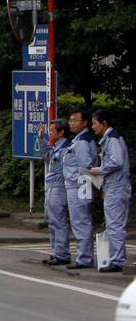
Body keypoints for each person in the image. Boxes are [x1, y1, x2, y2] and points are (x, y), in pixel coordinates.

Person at [90, 110, 128, 273]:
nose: (93, 127)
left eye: (94, 123)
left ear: (104, 123)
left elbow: (117, 162)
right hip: (114, 186)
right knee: (114, 224)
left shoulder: (112, 139)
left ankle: (117, 260)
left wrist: (100, 170)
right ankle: (117, 258)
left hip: (117, 186)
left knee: (115, 225)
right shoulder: (110, 139)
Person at [62, 110, 98, 270]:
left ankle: (84, 258)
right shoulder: (78, 140)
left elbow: (86, 166)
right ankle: (84, 256)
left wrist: (86, 188)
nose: (71, 123)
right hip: (76, 185)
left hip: (79, 186)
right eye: (70, 120)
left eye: (75, 120)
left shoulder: (82, 142)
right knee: (80, 221)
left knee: (80, 222)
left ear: (85, 123)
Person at [41, 118, 72, 267]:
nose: (50, 133)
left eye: (52, 131)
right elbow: (48, 156)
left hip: (59, 187)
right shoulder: (57, 147)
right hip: (52, 186)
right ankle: (56, 252)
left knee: (59, 221)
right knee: (52, 221)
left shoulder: (66, 148)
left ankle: (62, 254)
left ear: (61, 133)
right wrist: (42, 139)